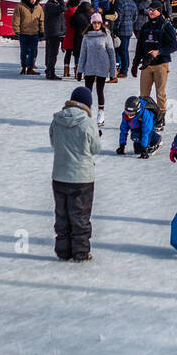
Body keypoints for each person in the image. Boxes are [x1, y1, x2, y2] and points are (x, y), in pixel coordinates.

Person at [49, 85, 102, 262]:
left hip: (59, 174)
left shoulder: (57, 119)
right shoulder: (88, 123)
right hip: (82, 177)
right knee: (80, 216)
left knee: (62, 215)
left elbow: (53, 142)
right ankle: (80, 252)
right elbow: (95, 148)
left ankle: (63, 251)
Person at [132, 0, 177, 122]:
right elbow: (140, 47)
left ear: (159, 11)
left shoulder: (166, 26)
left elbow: (173, 46)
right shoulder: (145, 27)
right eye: (150, 10)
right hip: (147, 65)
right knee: (143, 94)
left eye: (154, 10)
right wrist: (135, 64)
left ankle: (161, 117)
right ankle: (144, 116)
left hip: (161, 64)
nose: (151, 12)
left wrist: (159, 51)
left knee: (160, 93)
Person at [78, 11, 119, 126]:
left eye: (98, 23)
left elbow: (111, 54)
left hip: (102, 66)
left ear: (101, 23)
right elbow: (83, 54)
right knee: (87, 91)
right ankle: (86, 112)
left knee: (100, 90)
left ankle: (101, 113)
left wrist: (113, 72)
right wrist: (80, 70)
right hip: (89, 66)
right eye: (94, 23)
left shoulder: (106, 35)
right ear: (91, 23)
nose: (96, 25)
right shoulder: (86, 36)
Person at [11, 0, 44, 75]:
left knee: (33, 52)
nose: (33, 1)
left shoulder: (39, 8)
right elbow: (16, 19)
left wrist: (41, 31)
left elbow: (41, 20)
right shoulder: (20, 7)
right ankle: (23, 67)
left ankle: (30, 68)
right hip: (24, 33)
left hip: (34, 34)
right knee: (24, 51)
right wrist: (17, 31)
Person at [113, 0, 138, 75]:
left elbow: (118, 17)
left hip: (121, 29)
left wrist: (116, 28)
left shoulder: (119, 2)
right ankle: (124, 68)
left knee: (121, 50)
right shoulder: (133, 3)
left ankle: (124, 70)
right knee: (125, 49)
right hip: (129, 29)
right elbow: (135, 17)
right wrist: (130, 23)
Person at [42, 0, 66, 80]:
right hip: (53, 33)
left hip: (54, 32)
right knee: (52, 54)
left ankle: (49, 71)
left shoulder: (51, 5)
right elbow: (64, 8)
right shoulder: (50, 6)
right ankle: (50, 72)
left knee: (51, 54)